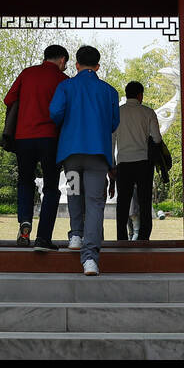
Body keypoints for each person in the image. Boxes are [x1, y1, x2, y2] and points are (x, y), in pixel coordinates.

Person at [49, 45, 119, 276]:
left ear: (77, 65)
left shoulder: (66, 86)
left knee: (74, 193)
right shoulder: (109, 91)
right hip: (97, 156)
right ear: (98, 66)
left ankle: (76, 235)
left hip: (71, 155)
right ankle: (90, 258)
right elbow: (113, 123)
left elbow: (55, 113)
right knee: (95, 203)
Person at [3, 44, 69, 251]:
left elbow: (8, 99)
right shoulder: (63, 80)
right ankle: (43, 238)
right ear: (62, 61)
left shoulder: (27, 73)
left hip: (24, 137)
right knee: (50, 187)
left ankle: (25, 222)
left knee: (25, 181)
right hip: (51, 138)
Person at [116, 81, 163, 242]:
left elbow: (111, 140)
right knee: (144, 202)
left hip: (123, 162)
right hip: (143, 162)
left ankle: (121, 238)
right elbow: (157, 139)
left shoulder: (117, 112)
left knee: (122, 203)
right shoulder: (148, 112)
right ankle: (143, 237)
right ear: (140, 95)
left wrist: (111, 164)